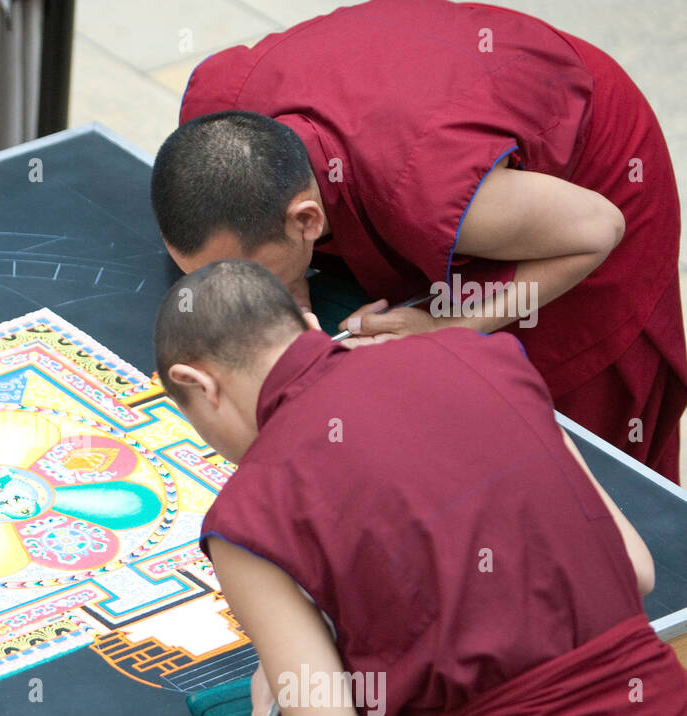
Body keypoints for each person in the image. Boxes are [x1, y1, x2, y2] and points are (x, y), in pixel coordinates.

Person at [154, 259, 687, 716]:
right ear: (306, 323)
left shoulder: (248, 512)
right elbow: (635, 569)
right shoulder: (479, 355)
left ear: (196, 383)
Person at [153, 0, 685, 482]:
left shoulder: (429, 186)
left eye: (249, 272)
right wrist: (283, 286)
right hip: (434, 83)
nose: (229, 289)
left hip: (587, 183)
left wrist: (448, 325)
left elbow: (598, 229)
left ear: (308, 221)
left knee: (534, 442)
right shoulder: (220, 119)